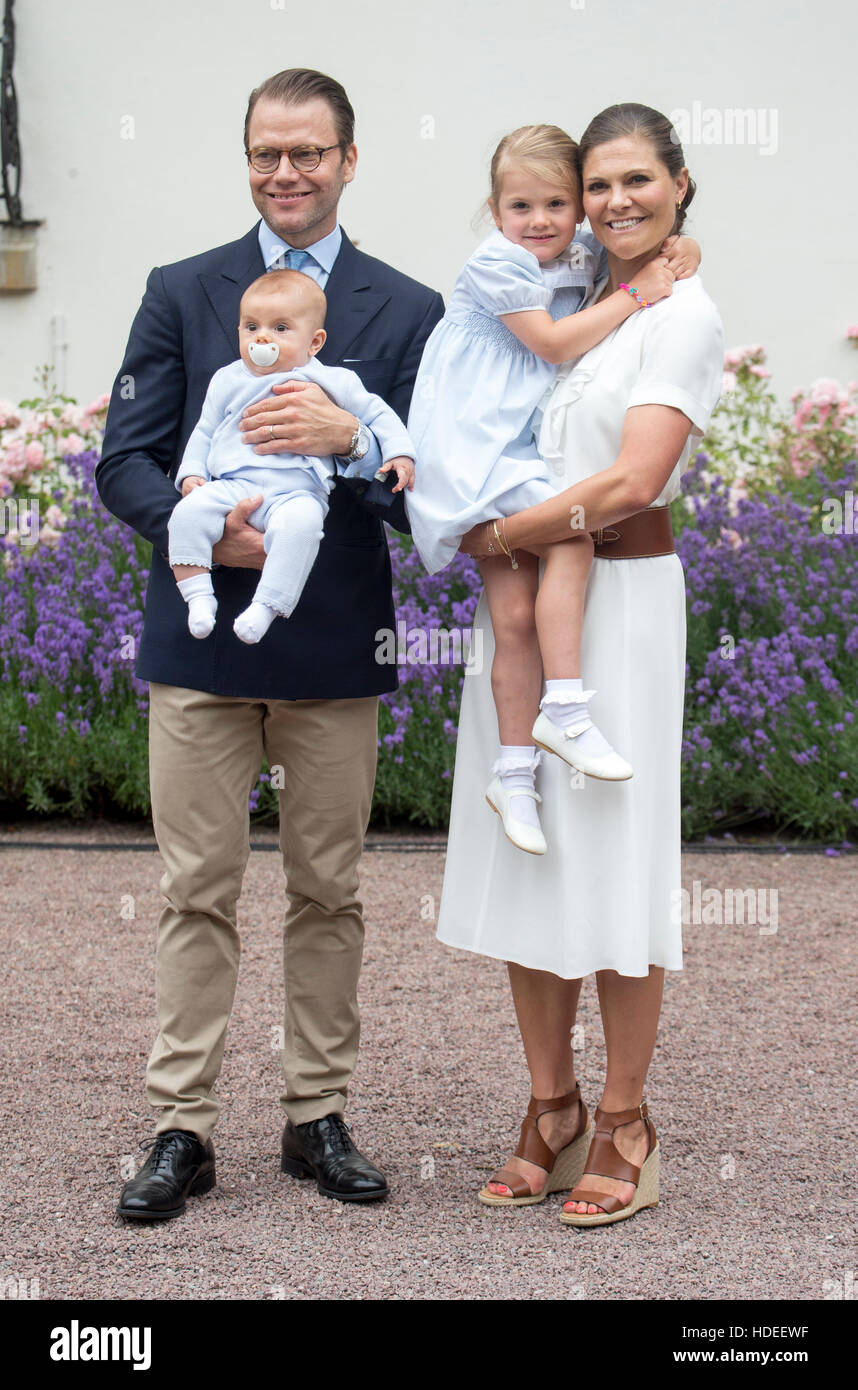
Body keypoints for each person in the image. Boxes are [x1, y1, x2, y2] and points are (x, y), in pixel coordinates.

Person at [96, 67, 443, 1219]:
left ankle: (316, 1115)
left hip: (334, 651)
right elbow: (127, 458)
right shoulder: (182, 290)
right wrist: (210, 536)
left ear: (350, 159)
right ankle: (181, 1127)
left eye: (308, 153)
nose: (284, 173)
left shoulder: (408, 310)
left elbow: (426, 499)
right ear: (246, 159)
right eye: (265, 154)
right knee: (195, 889)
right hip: (201, 652)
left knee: (328, 891)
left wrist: (353, 443)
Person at [438, 103, 724, 1226]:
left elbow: (631, 483)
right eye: (597, 185)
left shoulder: (682, 315)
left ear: (680, 183)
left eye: (637, 182)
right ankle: (549, 1105)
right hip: (526, 614)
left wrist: (498, 534)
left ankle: (625, 1119)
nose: (614, 203)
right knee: (534, 848)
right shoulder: (561, 292)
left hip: (622, 600)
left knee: (615, 847)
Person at [406, 125, 700, 855]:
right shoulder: (499, 262)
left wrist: (683, 252)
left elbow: (646, 243)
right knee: (567, 533)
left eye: (557, 204)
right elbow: (555, 343)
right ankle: (565, 706)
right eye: (520, 205)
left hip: (504, 442)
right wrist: (637, 292)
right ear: (493, 209)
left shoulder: (573, 255)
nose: (539, 220)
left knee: (511, 617)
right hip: (480, 444)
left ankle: (514, 774)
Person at [170, 270, 415, 644]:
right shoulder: (227, 379)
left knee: (301, 528)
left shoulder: (333, 380)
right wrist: (191, 473)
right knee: (186, 514)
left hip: (296, 492)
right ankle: (198, 598)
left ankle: (266, 606)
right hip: (233, 485)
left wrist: (399, 453)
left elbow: (379, 414)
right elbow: (204, 431)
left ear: (314, 342)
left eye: (280, 328)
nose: (262, 337)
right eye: (251, 327)